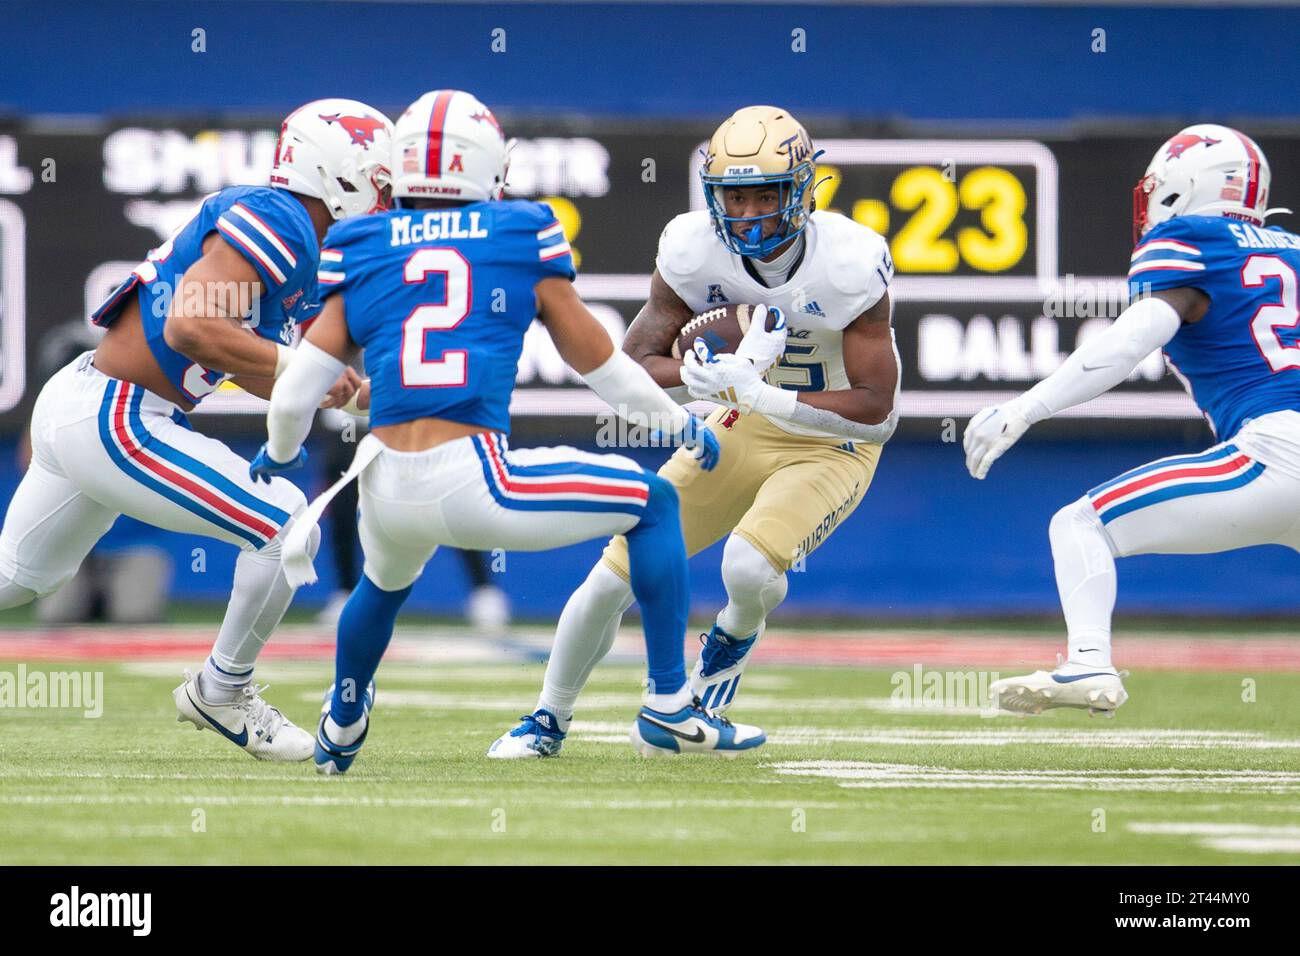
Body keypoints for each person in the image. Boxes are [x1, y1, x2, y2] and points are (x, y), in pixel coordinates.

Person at [255, 89, 765, 773]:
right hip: (474, 476)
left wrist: (279, 453)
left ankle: (343, 720)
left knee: (381, 584)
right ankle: (670, 703)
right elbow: (601, 364)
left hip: (381, 480)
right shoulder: (520, 231)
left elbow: (294, 395)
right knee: (655, 504)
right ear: (488, 166)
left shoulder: (360, 241)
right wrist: (676, 423)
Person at [489, 105, 900, 758]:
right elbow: (637, 365)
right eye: (733, 196)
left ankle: (732, 636)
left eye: (764, 194)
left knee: (746, 567)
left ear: (801, 190)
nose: (747, 213)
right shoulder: (691, 247)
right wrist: (697, 378)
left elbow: (877, 405)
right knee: (612, 576)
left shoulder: (850, 261)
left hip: (832, 440)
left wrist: (766, 392)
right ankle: (546, 719)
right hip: (742, 421)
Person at [0, 99, 391, 759]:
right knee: (284, 522)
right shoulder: (282, 218)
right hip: (116, 412)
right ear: (340, 174)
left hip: (90, 400)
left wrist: (344, 395)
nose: (386, 197)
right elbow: (191, 326)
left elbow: (240, 360)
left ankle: (222, 688)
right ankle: (222, 690)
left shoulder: (296, 236)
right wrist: (299, 369)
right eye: (379, 179)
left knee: (17, 581)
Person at [964, 124, 1298, 716]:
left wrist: (1025, 408)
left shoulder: (1193, 240)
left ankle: (1088, 662)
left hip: (1276, 451)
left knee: (1080, 524)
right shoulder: (1290, 247)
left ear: (1184, 186)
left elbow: (1126, 345)